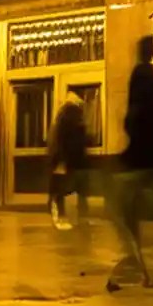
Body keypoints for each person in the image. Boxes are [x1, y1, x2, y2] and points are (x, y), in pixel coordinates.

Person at [109, 35, 153, 289]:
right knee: (137, 210)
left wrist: (131, 129)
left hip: (141, 158)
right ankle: (136, 268)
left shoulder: (142, 78)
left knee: (120, 210)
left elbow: (137, 116)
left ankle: (132, 266)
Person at [47, 93, 92, 230]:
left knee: (61, 191)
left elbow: (57, 142)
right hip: (75, 161)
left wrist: (58, 159)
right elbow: (80, 142)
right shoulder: (75, 120)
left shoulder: (61, 120)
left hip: (66, 160)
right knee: (78, 190)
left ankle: (60, 217)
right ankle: (80, 217)